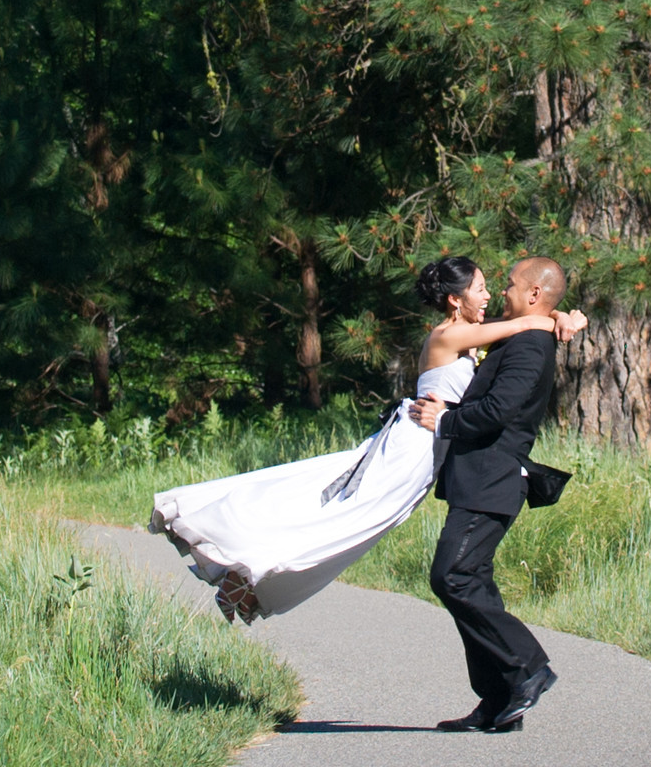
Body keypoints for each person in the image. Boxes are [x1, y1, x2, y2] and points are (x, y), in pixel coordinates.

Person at [150, 256, 585, 622]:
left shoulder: (469, 338)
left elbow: (524, 323)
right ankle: (241, 565)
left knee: (359, 526)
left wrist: (557, 315)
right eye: (482, 288)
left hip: (427, 454)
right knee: (347, 517)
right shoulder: (450, 334)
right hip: (412, 447)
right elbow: (525, 325)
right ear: (455, 299)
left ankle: (247, 578)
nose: (490, 296)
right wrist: (561, 317)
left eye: (496, 287)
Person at [407, 254, 569, 733]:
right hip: (476, 478)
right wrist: (562, 316)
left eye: (513, 284)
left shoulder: (530, 344)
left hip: (493, 478)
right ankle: (498, 702)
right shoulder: (525, 331)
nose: (502, 292)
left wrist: (447, 421)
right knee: (471, 582)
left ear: (535, 293)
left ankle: (529, 668)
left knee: (452, 577)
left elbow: (499, 409)